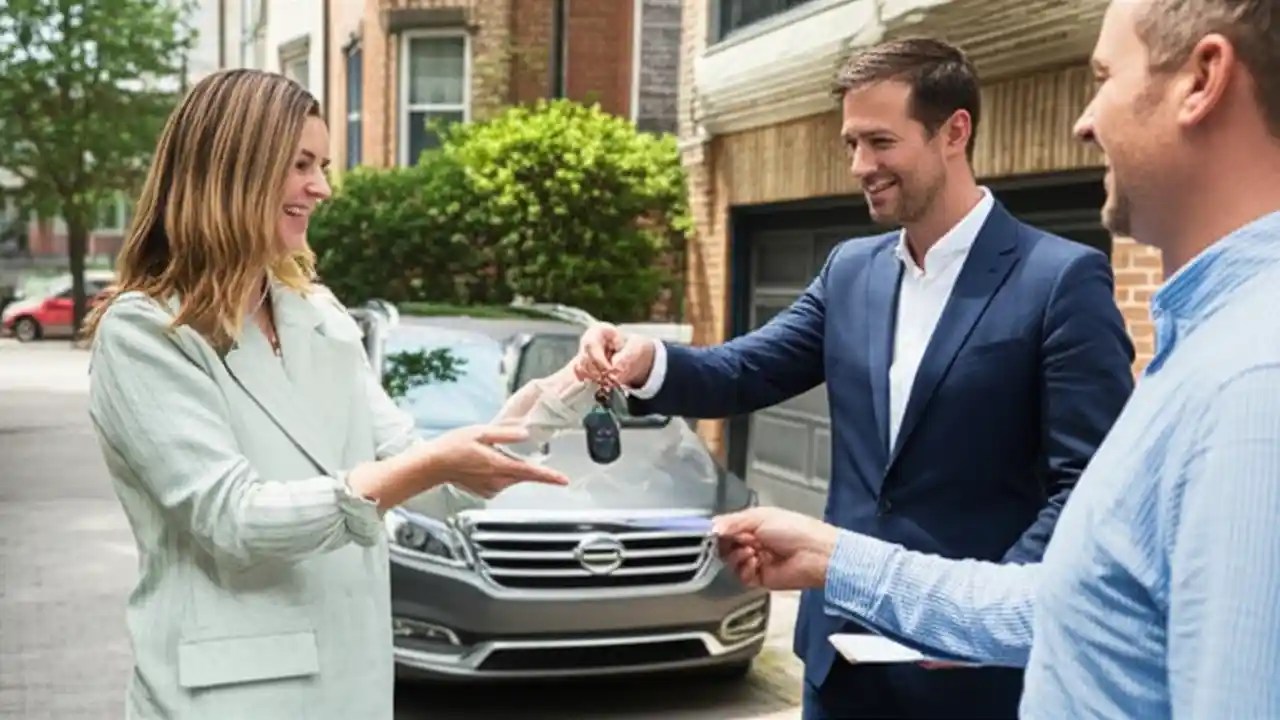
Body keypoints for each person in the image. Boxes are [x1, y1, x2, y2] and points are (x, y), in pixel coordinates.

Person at [713, 0, 1280, 717]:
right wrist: (837, 560)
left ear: (1202, 79)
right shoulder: (1206, 341)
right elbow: (1069, 599)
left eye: (1105, 76)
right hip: (852, 660)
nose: (1085, 120)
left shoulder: (1255, 380)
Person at [574, 38, 1135, 720]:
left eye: (880, 141)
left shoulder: (1059, 280)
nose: (860, 166)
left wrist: (985, 615)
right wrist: (647, 361)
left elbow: (1089, 486)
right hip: (840, 662)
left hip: (971, 679)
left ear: (954, 131)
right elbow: (745, 369)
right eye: (851, 144)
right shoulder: (850, 270)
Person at [80, 69, 568, 719]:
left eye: (324, 165)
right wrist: (428, 464)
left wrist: (553, 405)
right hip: (226, 699)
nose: (323, 187)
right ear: (233, 170)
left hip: (352, 687)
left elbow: (424, 479)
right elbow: (235, 518)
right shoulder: (143, 331)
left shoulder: (319, 314)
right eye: (302, 164)